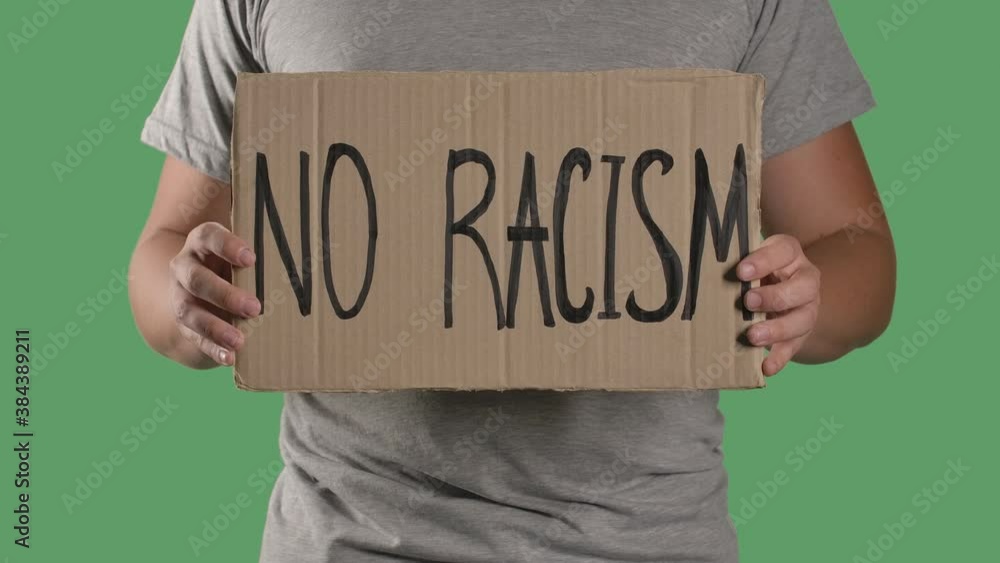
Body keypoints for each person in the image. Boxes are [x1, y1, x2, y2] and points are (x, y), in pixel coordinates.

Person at [129, 1, 896, 561]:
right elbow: (163, 256)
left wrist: (807, 298)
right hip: (349, 541)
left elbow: (859, 253)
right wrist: (187, 296)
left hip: (648, 543)